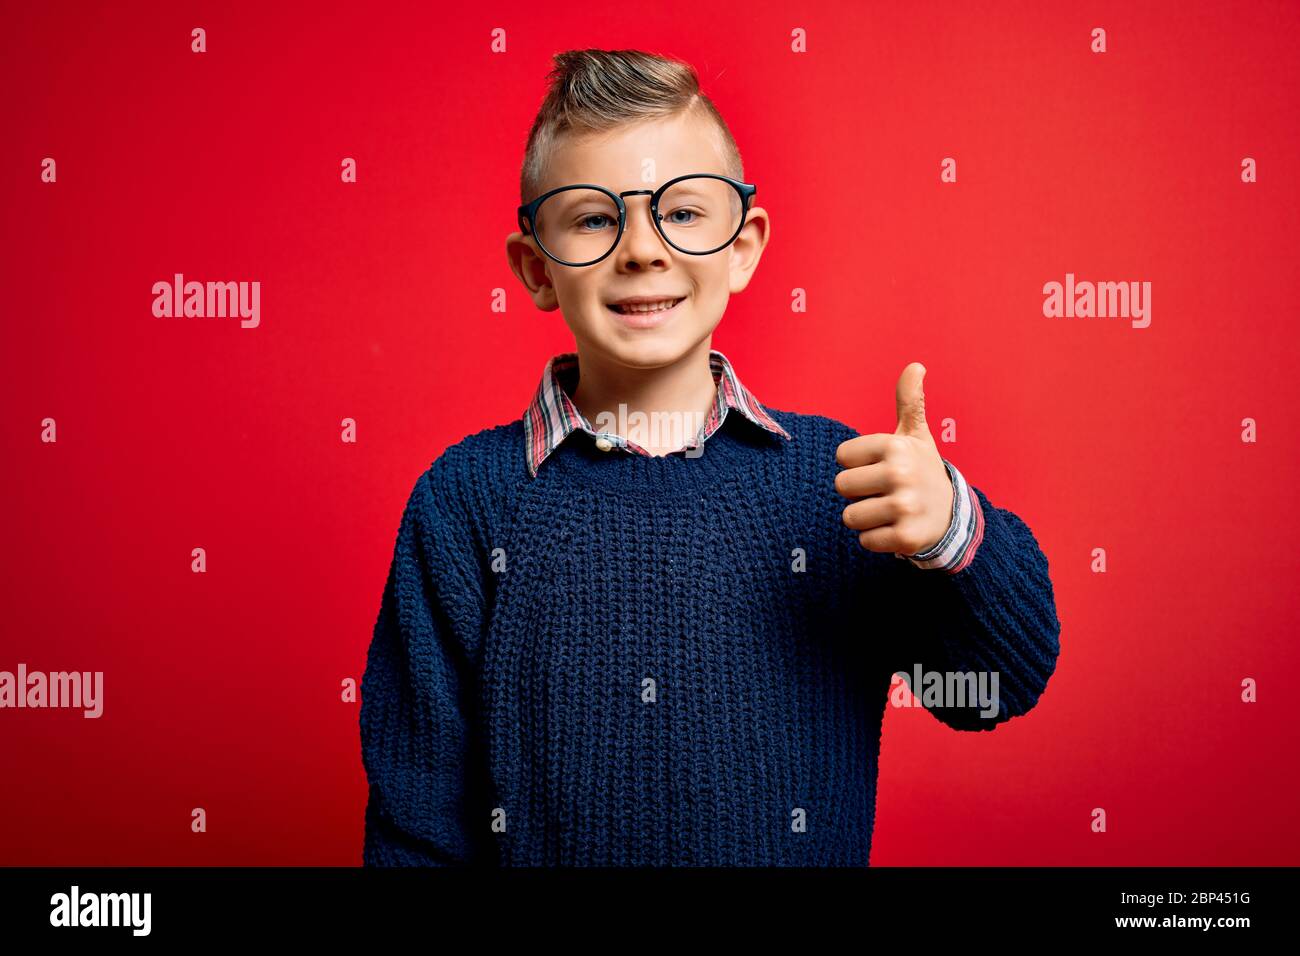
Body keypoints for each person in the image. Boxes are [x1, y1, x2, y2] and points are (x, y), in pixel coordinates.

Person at [359, 48, 1061, 866]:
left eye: (683, 213)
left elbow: (995, 691)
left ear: (745, 247)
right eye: (593, 218)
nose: (643, 249)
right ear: (534, 268)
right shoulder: (467, 502)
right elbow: (417, 819)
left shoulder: (843, 486)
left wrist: (952, 529)